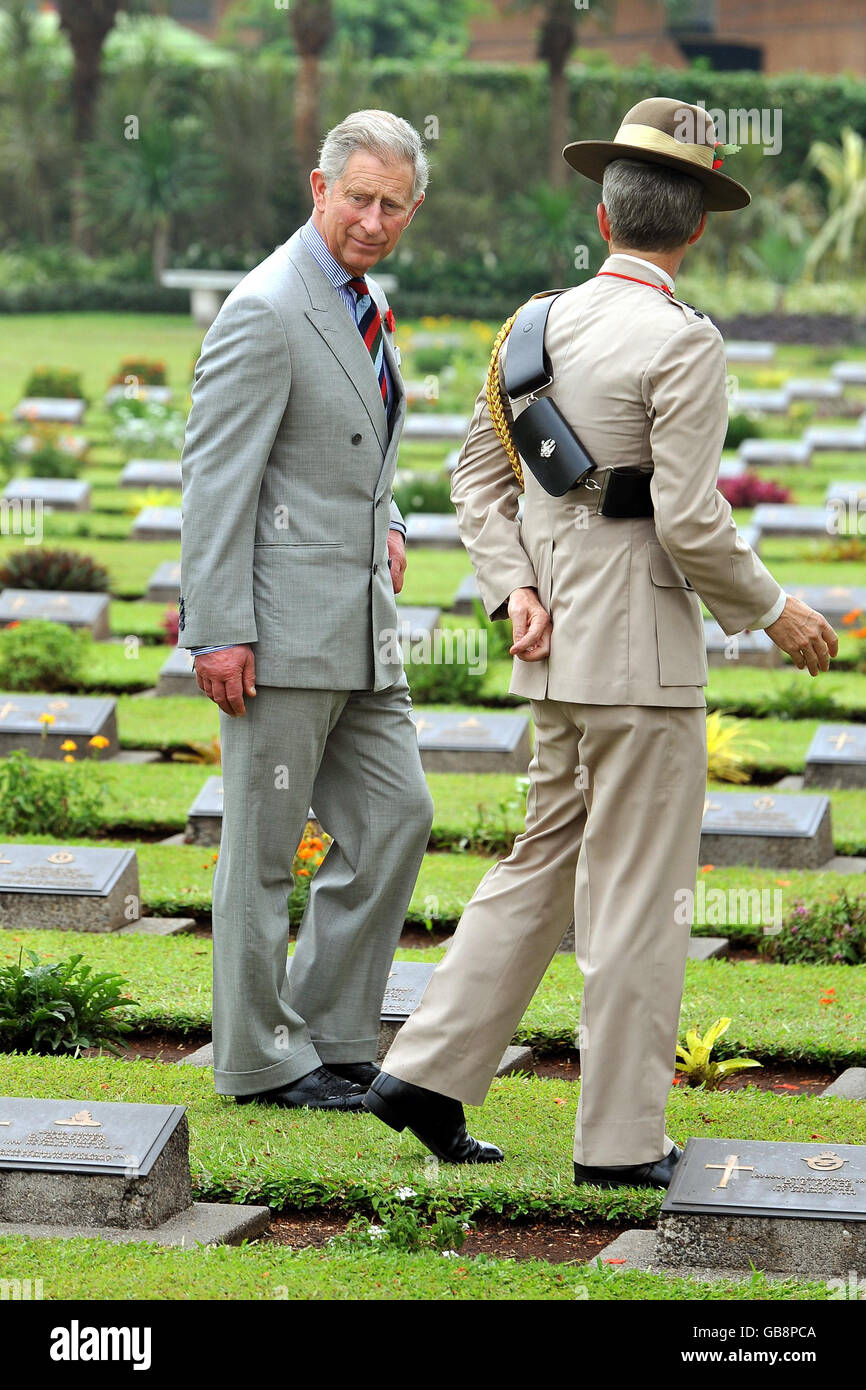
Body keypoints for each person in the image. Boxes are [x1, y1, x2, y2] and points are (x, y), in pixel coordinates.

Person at [364, 97, 838, 1179]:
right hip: (641, 665)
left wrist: (511, 588)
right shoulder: (682, 343)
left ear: (603, 209)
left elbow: (472, 479)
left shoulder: (531, 325)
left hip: (552, 653)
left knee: (538, 865)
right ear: (698, 226)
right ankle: (620, 1144)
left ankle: (423, 1074)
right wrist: (774, 609)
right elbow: (686, 519)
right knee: (636, 899)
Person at [178, 110, 434, 1111]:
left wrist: (395, 516)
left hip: (360, 620)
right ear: (316, 189)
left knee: (398, 816)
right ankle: (255, 1061)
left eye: (392, 204)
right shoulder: (265, 307)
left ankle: (327, 1030)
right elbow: (215, 481)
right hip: (277, 633)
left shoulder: (361, 297)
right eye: (357, 198)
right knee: (263, 854)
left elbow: (351, 438)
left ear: (413, 207)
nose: (372, 219)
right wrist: (217, 627)